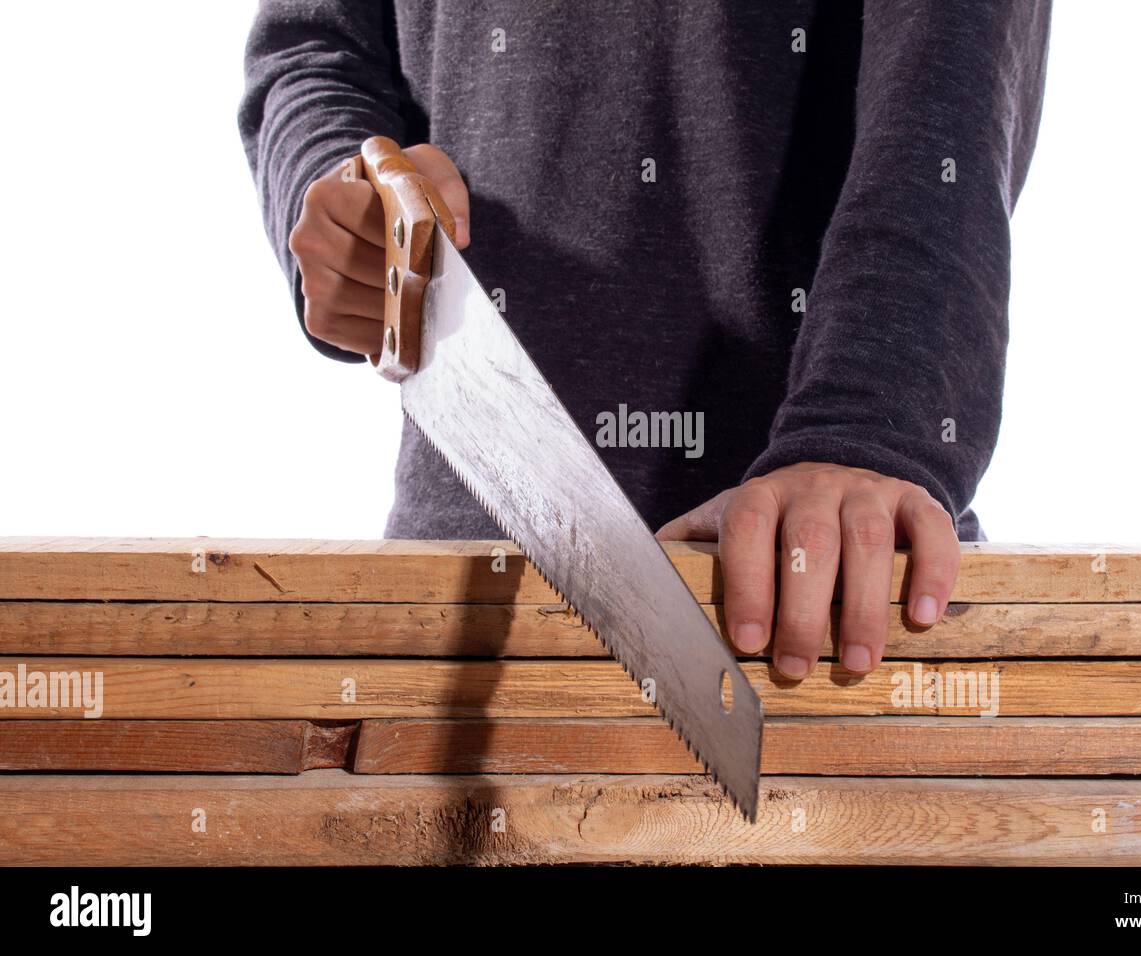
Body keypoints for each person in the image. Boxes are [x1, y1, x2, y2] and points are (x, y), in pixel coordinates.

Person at [240, 1, 1051, 680]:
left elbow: (952, 78)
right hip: (461, 603)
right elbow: (319, 44)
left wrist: (866, 435)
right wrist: (340, 179)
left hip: (829, 588)